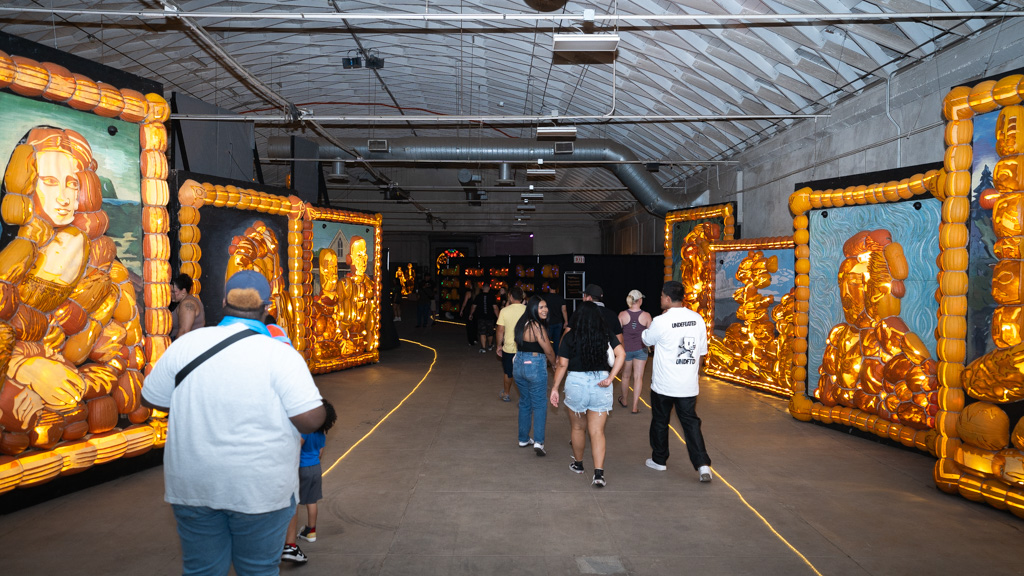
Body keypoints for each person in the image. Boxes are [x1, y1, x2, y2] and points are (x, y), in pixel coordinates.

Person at [142, 270, 326, 575]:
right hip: (260, 490)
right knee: (257, 569)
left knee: (202, 569)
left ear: (223, 300)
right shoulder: (279, 354)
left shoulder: (186, 346)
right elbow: (309, 420)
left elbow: (151, 398)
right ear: (268, 307)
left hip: (194, 485)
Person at [642, 281, 713, 482]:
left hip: (664, 384)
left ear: (666, 298)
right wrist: (693, 374)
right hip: (687, 385)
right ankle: (703, 465)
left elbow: (647, 340)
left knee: (660, 422)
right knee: (691, 424)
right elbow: (701, 352)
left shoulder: (661, 321)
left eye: (661, 296)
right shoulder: (697, 319)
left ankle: (659, 460)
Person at [550, 302, 625, 488]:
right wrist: (611, 378)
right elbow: (621, 354)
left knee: (577, 428)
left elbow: (562, 364)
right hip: (601, 382)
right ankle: (599, 475)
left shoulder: (570, 336)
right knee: (597, 431)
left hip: (576, 383)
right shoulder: (606, 334)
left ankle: (578, 464)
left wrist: (554, 388)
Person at [513, 295, 556, 455]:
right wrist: (554, 364)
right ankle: (538, 441)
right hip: (535, 364)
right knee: (539, 404)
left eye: (545, 307)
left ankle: (523, 438)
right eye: (541, 307)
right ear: (533, 309)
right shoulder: (537, 326)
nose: (545, 310)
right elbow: (548, 350)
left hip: (518, 365)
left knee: (525, 402)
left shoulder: (521, 323)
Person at [294, 399, 338, 546]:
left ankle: (289, 533)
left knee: (292, 501)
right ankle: (310, 531)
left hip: (302, 468)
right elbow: (320, 453)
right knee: (311, 501)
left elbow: (297, 448)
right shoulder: (321, 434)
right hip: (315, 468)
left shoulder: (305, 431)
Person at [618, 289, 652, 414]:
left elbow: (617, 334)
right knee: (638, 377)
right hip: (641, 349)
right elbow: (651, 335)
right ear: (640, 300)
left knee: (625, 376)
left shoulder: (622, 314)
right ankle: (635, 407)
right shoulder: (646, 316)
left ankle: (625, 400)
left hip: (625, 350)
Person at [495, 287, 527, 402]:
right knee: (524, 374)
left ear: (511, 296)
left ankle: (506, 393)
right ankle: (524, 397)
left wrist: (499, 345)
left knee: (508, 372)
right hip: (524, 348)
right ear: (522, 297)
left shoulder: (504, 311)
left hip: (509, 348)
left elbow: (500, 330)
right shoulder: (528, 310)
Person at [170, 273, 206, 340]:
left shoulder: (187, 304)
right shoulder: (192, 300)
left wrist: (175, 349)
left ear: (183, 291)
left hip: (186, 345)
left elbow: (184, 332)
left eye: (173, 291)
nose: (170, 294)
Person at [469, 283, 499, 352]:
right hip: (490, 317)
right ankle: (490, 345)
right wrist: (498, 317)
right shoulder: (492, 296)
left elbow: (473, 306)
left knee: (482, 332)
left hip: (481, 317)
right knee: (490, 332)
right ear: (489, 288)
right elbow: (495, 308)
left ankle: (483, 347)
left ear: (482, 288)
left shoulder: (478, 296)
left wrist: (471, 314)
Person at [542, 284, 568, 351]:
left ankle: (548, 358)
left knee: (547, 341)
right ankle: (556, 358)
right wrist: (566, 321)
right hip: (558, 322)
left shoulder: (544, 298)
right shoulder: (560, 298)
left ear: (549, 287)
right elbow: (564, 310)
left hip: (548, 322)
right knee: (557, 342)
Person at [459, 281, 480, 346]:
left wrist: (461, 310)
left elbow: (464, 303)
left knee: (469, 326)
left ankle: (471, 341)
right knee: (475, 325)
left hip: (469, 310)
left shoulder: (468, 293)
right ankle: (475, 338)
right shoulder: (478, 293)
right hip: (476, 311)